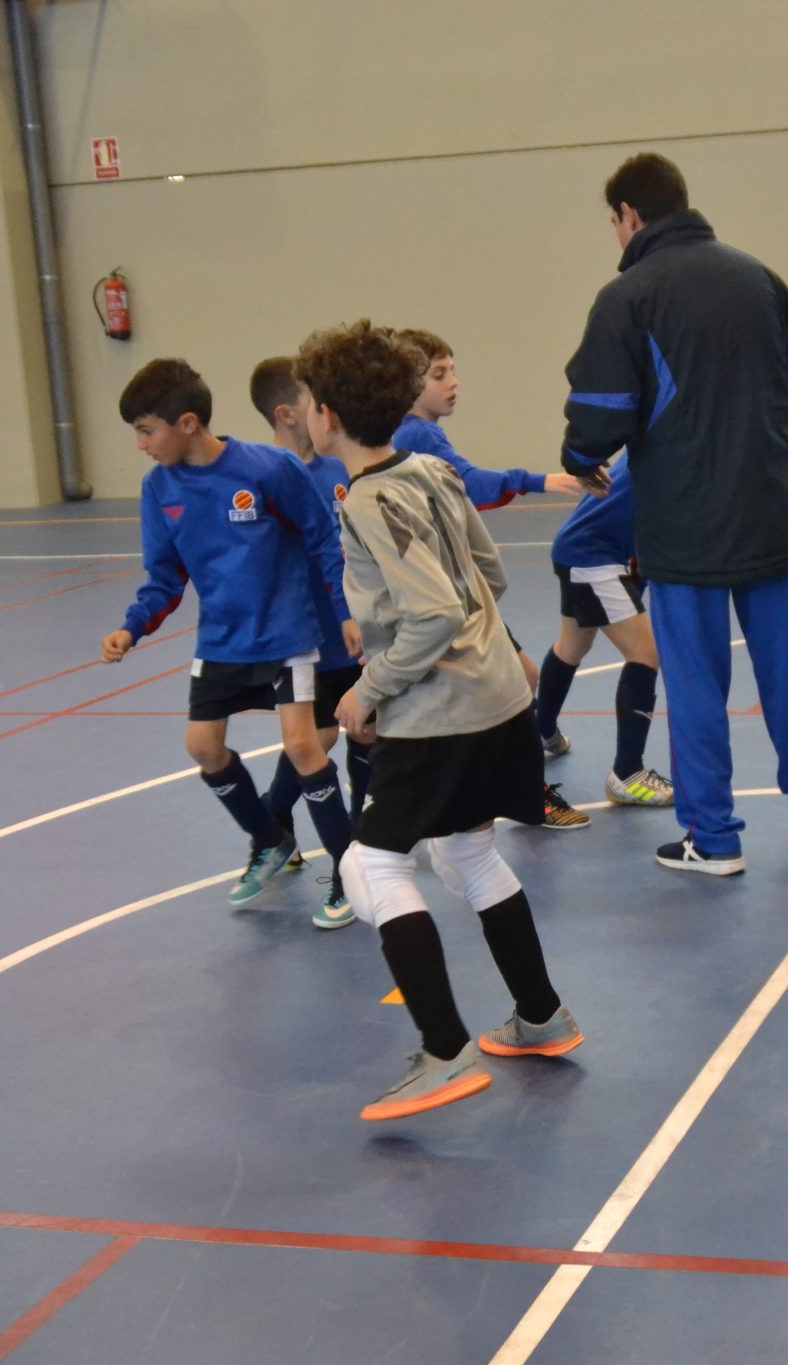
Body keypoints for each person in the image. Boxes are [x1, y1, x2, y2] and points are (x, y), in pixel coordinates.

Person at [298, 320, 583, 1122]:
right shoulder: (430, 467)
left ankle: (444, 1048)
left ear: (324, 414)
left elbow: (429, 612)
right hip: (498, 696)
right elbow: (484, 572)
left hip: (440, 709)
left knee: (372, 867)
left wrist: (367, 690)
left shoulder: (364, 501)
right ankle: (541, 1016)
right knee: (466, 850)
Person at [559, 151, 788, 874]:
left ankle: (713, 839)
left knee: (695, 685)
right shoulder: (762, 279)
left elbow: (602, 413)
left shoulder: (628, 296)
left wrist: (579, 450)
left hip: (685, 525)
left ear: (629, 216)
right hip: (773, 509)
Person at [100, 358, 358, 914]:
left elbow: (323, 542)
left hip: (285, 635)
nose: (141, 444)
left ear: (188, 423)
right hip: (221, 641)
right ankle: (270, 838)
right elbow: (164, 577)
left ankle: (349, 867)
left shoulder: (268, 470)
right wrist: (132, 627)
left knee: (303, 746)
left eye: (147, 431)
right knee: (203, 748)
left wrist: (342, 613)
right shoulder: (158, 490)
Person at [390, 327, 595, 831]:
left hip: (450, 587)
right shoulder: (416, 433)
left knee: (518, 680)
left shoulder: (415, 431)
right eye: (439, 374)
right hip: (446, 592)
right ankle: (526, 795)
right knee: (501, 686)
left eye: (453, 370)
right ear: (406, 383)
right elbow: (468, 483)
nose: (454, 383)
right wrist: (538, 480)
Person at [245, 355, 371, 928]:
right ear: (287, 413)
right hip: (302, 636)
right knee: (312, 742)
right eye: (312, 397)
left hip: (354, 630)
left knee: (355, 733)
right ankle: (309, 848)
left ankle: (349, 853)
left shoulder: (337, 469)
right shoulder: (259, 480)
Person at [534, 451, 675, 808]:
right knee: (646, 655)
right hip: (593, 555)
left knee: (572, 646)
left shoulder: (649, 440)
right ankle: (627, 774)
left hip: (579, 547)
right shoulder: (671, 445)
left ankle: (542, 729)